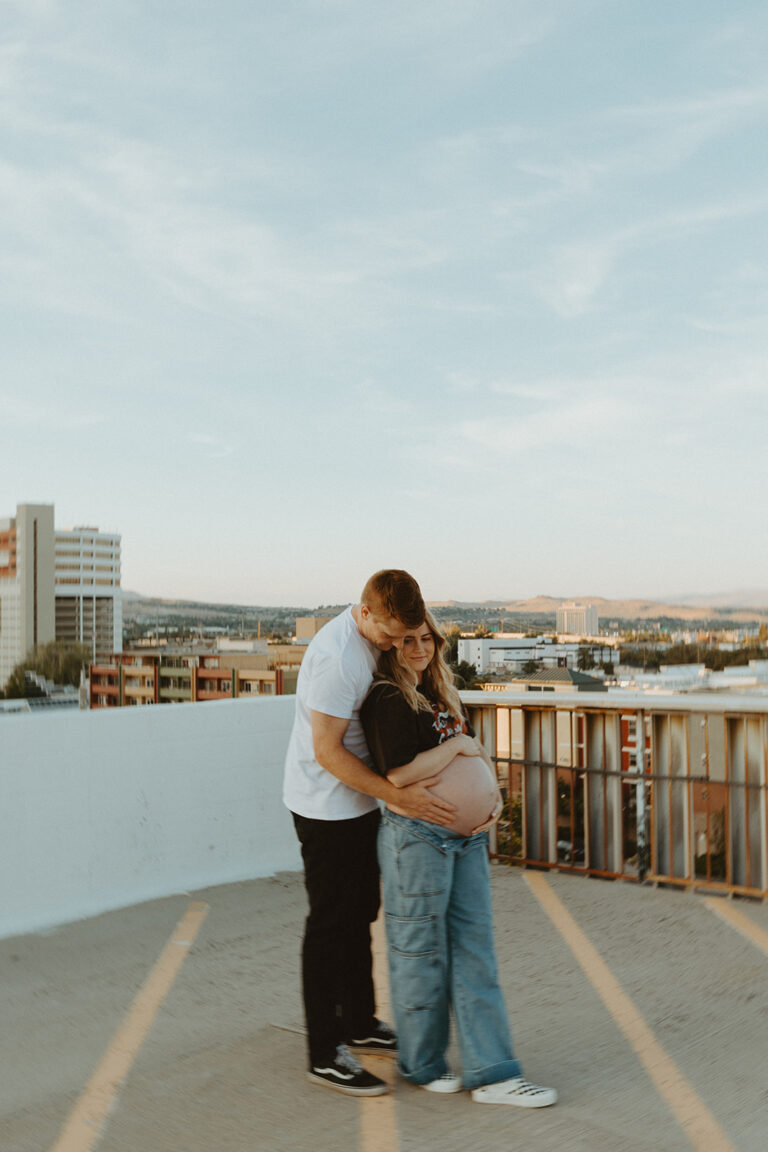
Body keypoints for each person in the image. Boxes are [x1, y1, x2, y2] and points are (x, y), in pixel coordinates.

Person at [360, 611, 557, 1108]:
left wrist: (488, 801)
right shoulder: (386, 698)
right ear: (391, 645)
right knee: (419, 953)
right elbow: (401, 775)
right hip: (418, 838)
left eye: (426, 638)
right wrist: (462, 749)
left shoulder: (441, 690)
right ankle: (421, 1063)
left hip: (467, 839)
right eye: (408, 640)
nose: (419, 648)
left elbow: (470, 751)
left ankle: (493, 1073)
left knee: (476, 951)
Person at [283, 571, 458, 1097]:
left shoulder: (371, 640)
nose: (397, 645)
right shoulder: (339, 658)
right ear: (364, 613)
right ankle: (323, 1051)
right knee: (330, 925)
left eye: (407, 635)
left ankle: (358, 1022)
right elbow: (328, 751)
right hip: (324, 808)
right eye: (390, 636)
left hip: (357, 803)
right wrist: (395, 794)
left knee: (362, 911)